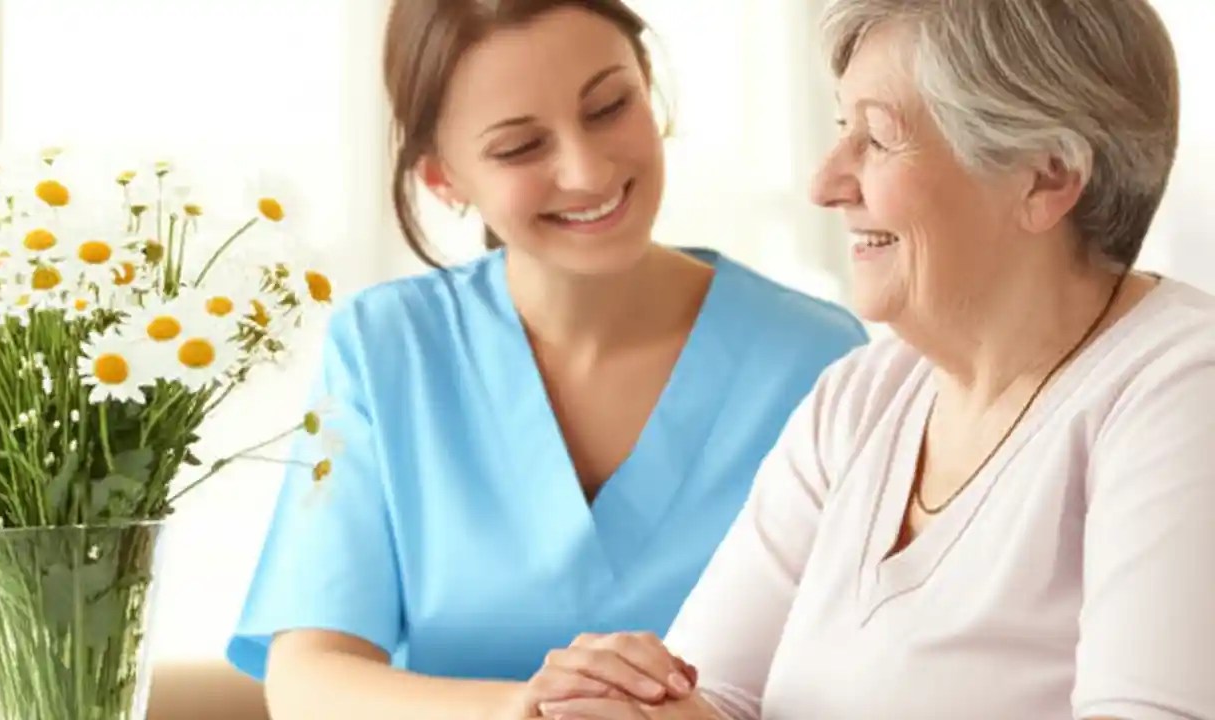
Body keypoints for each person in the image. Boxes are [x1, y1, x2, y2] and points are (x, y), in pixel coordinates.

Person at [523, 1, 1215, 719]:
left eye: (879, 139)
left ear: (1045, 177)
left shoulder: (1180, 394)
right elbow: (713, 695)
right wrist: (612, 701)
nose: (826, 183)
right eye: (839, 129)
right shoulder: (860, 398)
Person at [224, 1, 868, 718]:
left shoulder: (819, 359)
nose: (588, 171)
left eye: (608, 107)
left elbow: (869, 668)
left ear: (647, 86)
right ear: (444, 179)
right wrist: (527, 710)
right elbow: (309, 680)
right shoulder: (383, 349)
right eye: (520, 148)